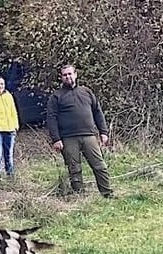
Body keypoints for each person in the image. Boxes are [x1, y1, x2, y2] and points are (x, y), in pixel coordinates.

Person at [46, 64, 113, 197]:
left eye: (70, 74)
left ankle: (107, 193)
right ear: (61, 78)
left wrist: (103, 132)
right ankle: (79, 196)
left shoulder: (86, 92)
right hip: (68, 138)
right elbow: (51, 118)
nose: (68, 77)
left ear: (75, 75)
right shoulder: (56, 96)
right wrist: (56, 139)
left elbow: (97, 112)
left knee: (100, 165)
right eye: (65, 75)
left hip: (89, 135)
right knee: (74, 169)